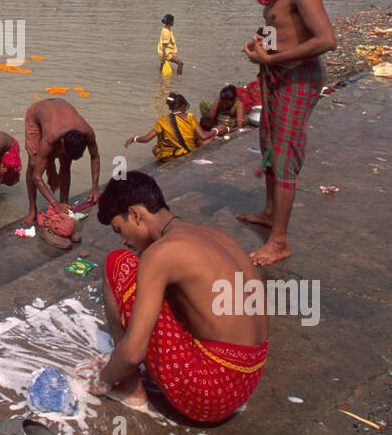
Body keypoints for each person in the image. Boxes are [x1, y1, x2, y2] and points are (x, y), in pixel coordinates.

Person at [85, 172, 268, 421]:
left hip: (210, 393)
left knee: (119, 263)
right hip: (247, 380)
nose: (124, 239)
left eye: (120, 229)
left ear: (136, 214)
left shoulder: (162, 253)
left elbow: (132, 354)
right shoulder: (214, 234)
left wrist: (102, 379)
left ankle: (128, 386)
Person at [233, 0, 335, 267]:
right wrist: (261, 45)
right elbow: (287, 29)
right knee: (268, 147)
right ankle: (269, 213)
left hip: (297, 79)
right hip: (277, 75)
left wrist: (271, 59)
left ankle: (279, 241)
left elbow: (325, 39)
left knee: (283, 154)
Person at [22, 97, 100, 226]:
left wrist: (95, 188)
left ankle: (64, 202)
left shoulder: (88, 132)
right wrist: (54, 204)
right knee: (33, 164)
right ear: (62, 143)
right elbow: (36, 176)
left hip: (59, 109)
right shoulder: (51, 137)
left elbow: (95, 157)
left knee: (65, 162)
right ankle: (32, 209)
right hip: (37, 114)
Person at [125, 92, 198, 161]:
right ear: (182, 106)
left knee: (155, 148)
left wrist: (134, 139)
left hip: (169, 157)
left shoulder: (163, 120)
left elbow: (146, 139)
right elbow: (202, 136)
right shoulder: (190, 117)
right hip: (190, 152)